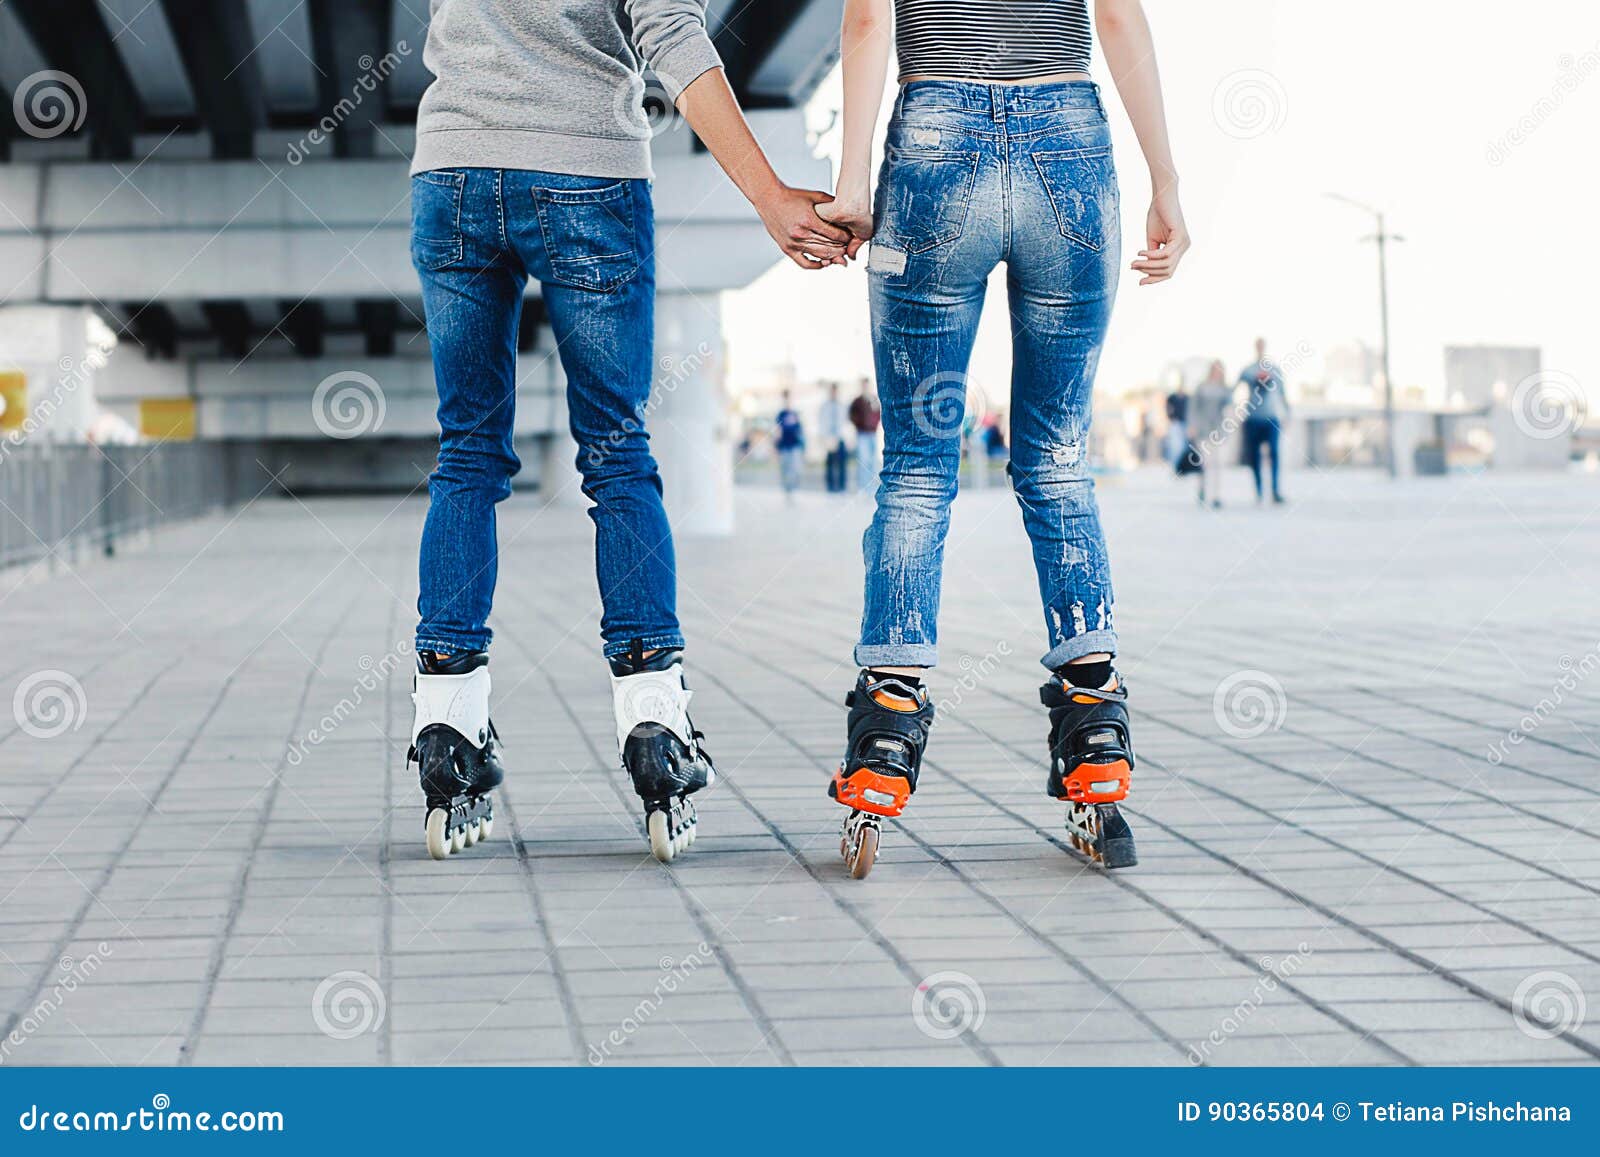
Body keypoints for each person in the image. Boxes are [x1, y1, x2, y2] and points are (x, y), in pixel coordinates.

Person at [406, 0, 853, 863]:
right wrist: (768, 195)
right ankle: (654, 718)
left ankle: (446, 730)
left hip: (454, 173)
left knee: (466, 453)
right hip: (587, 173)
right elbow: (672, 36)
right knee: (616, 453)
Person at [817, 0, 1189, 876]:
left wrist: (856, 176)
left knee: (916, 465)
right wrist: (1165, 179)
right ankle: (1095, 732)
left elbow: (869, 17)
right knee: (1058, 459)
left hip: (935, 141)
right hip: (1070, 136)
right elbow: (1119, 17)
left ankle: (884, 740)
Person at [1237, 338, 1289, 504]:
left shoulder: (1275, 369)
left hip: (1271, 418)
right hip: (1253, 418)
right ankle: (1259, 491)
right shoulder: (1248, 370)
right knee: (1254, 456)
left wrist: (1287, 414)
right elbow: (1234, 388)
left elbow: (1282, 394)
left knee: (1274, 453)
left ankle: (1275, 491)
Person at [1189, 361, 1232, 508]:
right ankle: (1204, 492)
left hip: (1219, 430)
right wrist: (1192, 425)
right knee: (1205, 464)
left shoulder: (1225, 389)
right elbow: (1193, 407)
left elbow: (1230, 407)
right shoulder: (1201, 387)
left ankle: (1217, 495)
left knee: (1218, 463)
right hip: (1203, 430)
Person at [848, 377, 881, 493]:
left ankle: (871, 488)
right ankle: (862, 487)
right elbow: (852, 416)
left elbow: (878, 414)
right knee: (864, 460)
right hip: (862, 434)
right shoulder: (857, 401)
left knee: (872, 461)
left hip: (872, 434)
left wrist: (874, 425)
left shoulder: (874, 399)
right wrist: (859, 424)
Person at [774, 390, 806, 499]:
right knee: (785, 468)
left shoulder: (795, 414)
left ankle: (793, 488)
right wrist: (776, 447)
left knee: (796, 468)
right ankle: (787, 489)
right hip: (784, 446)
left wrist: (803, 446)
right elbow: (777, 431)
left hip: (795, 446)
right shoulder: (780, 414)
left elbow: (800, 430)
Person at [819, 382, 849, 492]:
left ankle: (842, 487)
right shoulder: (825, 406)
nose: (834, 393)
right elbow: (822, 422)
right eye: (832, 391)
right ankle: (830, 487)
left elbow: (846, 422)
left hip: (840, 437)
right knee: (830, 463)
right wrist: (824, 437)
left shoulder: (842, 405)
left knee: (842, 463)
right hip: (829, 438)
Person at [1163, 384, 1189, 468]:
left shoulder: (1187, 397)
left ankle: (1183, 466)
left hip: (1185, 423)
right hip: (1175, 423)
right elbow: (1167, 408)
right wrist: (1171, 418)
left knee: (1184, 446)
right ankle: (1175, 465)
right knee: (1175, 445)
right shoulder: (1172, 397)